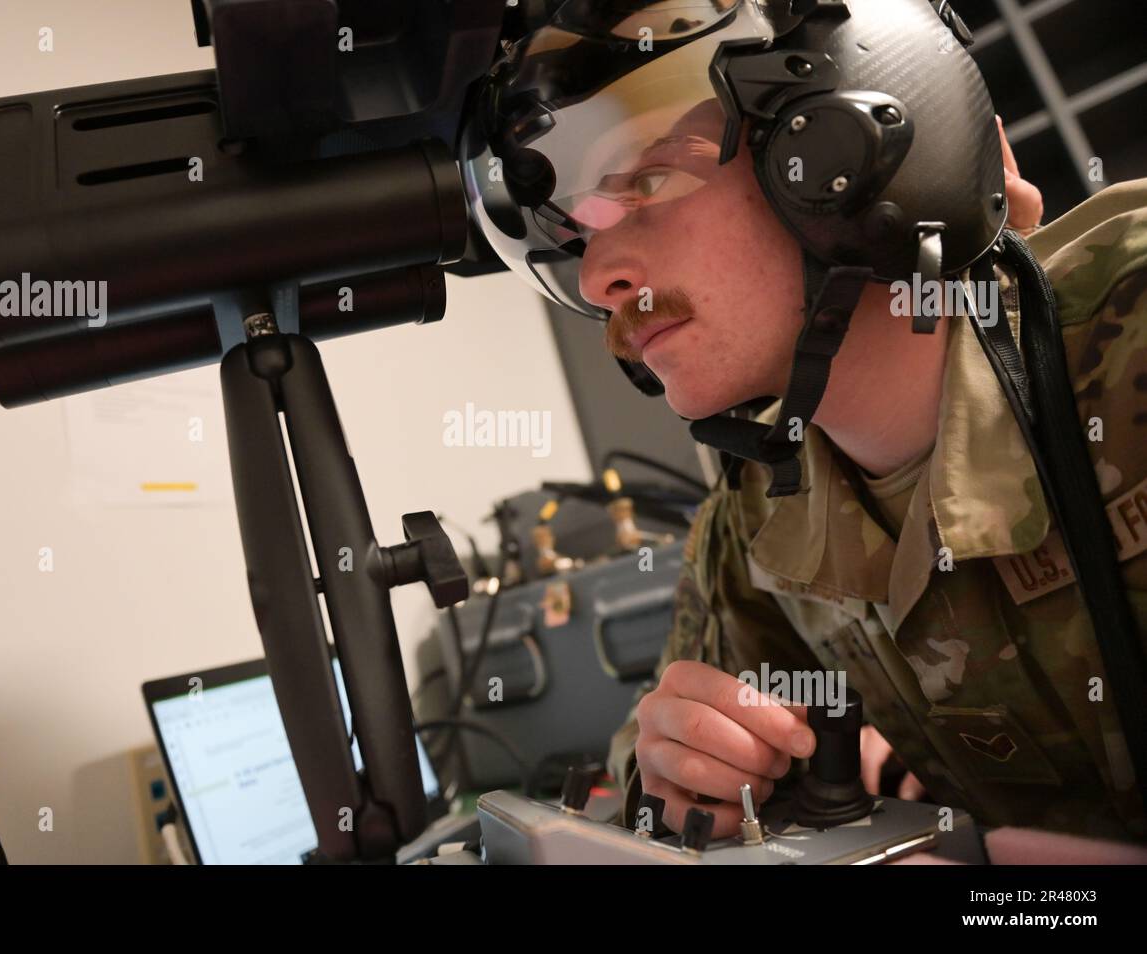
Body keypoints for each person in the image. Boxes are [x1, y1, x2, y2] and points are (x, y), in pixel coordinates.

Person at [460, 0, 1146, 860]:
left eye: (649, 177)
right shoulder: (755, 522)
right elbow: (662, 808)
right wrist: (679, 780)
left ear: (862, 150)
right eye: (581, 225)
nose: (599, 275)